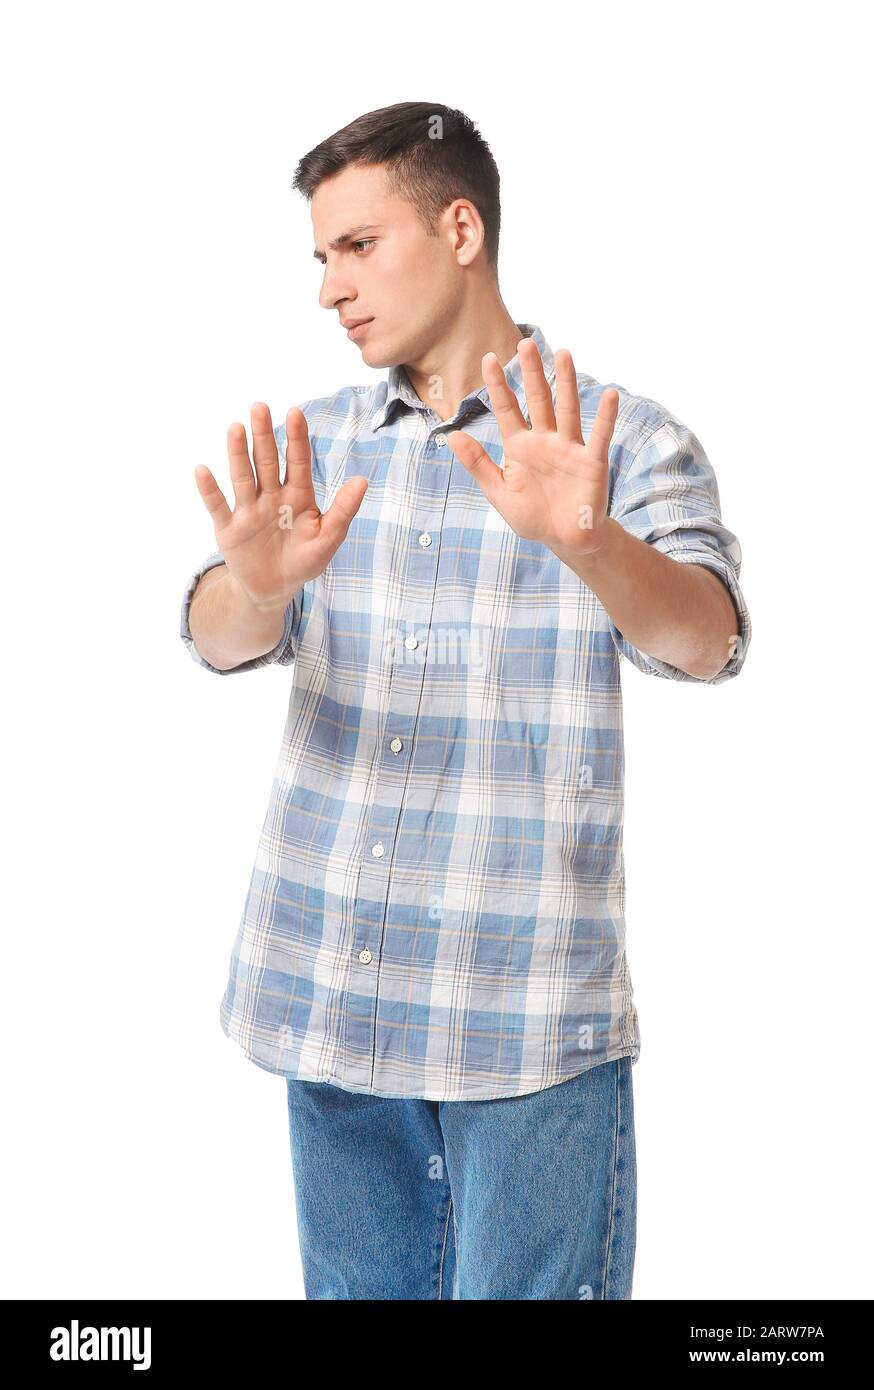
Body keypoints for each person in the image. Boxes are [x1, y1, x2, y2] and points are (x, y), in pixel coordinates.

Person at [180, 101, 751, 1300]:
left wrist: (591, 542)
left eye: (359, 245)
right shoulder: (316, 448)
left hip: (527, 1020)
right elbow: (213, 636)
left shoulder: (616, 442)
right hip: (327, 996)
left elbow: (705, 642)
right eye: (320, 257)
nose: (330, 288)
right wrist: (255, 584)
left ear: (460, 226)